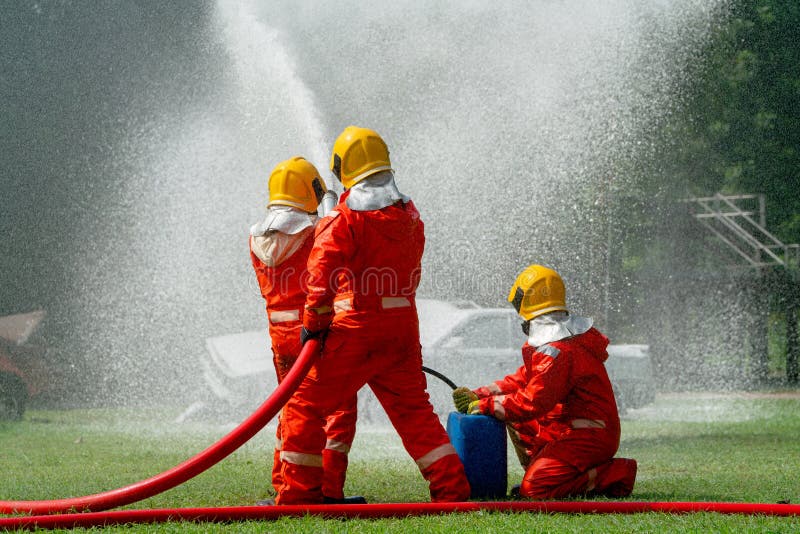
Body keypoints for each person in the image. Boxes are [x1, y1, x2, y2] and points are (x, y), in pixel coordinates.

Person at [274, 126, 471, 505]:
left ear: (343, 168)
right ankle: (452, 491)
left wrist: (313, 326)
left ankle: (298, 496)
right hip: (402, 331)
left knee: (303, 405)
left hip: (356, 331)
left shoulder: (345, 219)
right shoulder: (409, 215)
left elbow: (320, 277)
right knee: (415, 414)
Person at [452, 264, 637, 499]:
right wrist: (480, 394)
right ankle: (545, 471)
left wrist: (488, 405)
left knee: (535, 490)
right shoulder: (563, 342)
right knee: (512, 416)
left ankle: (615, 473)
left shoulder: (558, 350)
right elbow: (523, 380)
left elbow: (534, 402)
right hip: (574, 429)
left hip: (588, 435)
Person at [249, 156, 359, 503]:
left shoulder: (256, 240)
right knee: (339, 409)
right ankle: (326, 488)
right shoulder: (313, 234)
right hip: (312, 335)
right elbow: (329, 261)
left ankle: (284, 482)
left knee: (291, 408)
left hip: (280, 339)